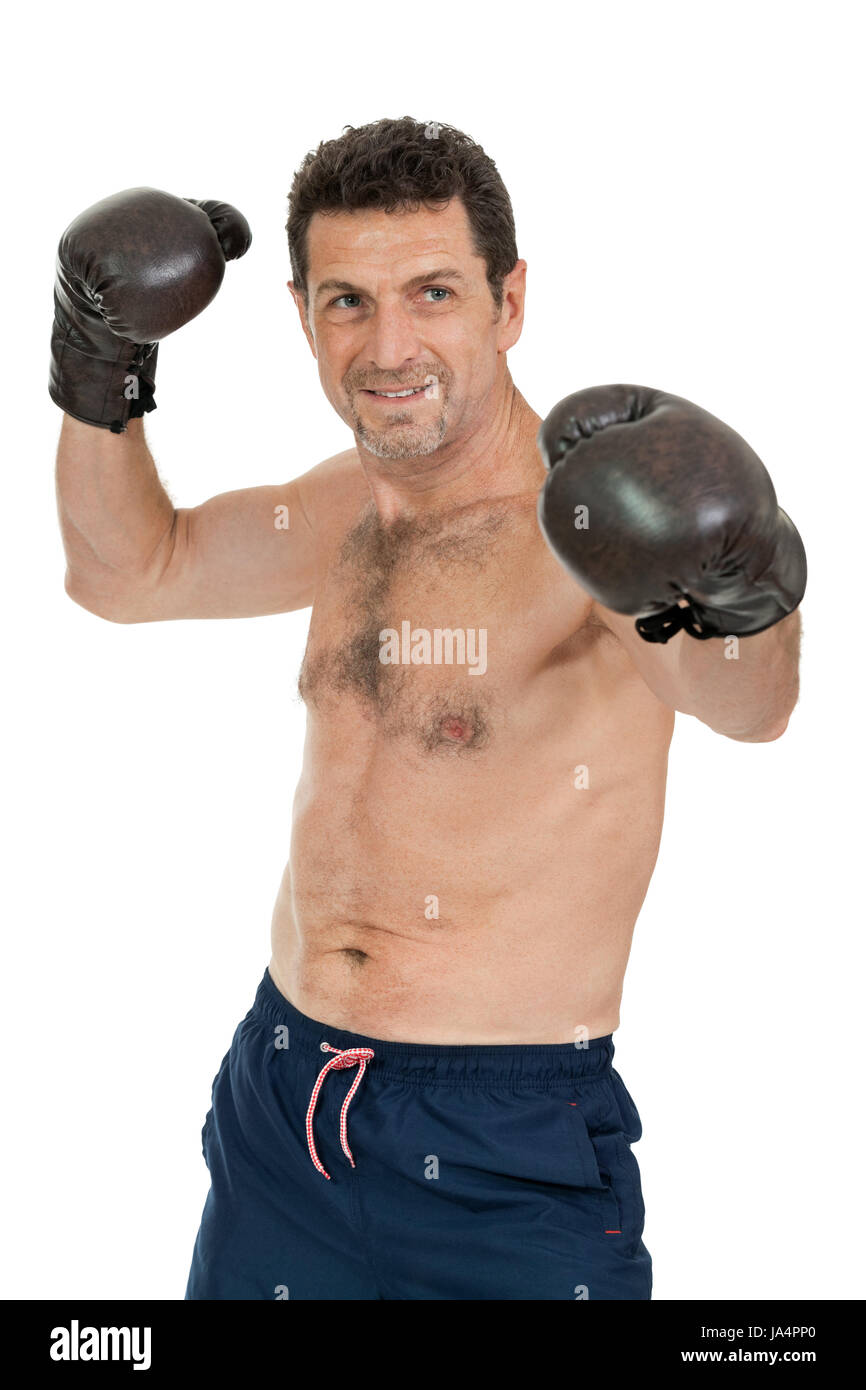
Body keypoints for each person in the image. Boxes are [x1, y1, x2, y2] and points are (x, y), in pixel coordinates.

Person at [51, 117, 805, 1301]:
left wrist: (736, 587)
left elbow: (751, 707)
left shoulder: (592, 526)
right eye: (347, 300)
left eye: (433, 291)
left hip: (504, 1150)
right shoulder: (343, 503)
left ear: (509, 301)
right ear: (300, 312)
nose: (387, 344)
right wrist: (95, 370)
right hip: (283, 1103)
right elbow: (127, 573)